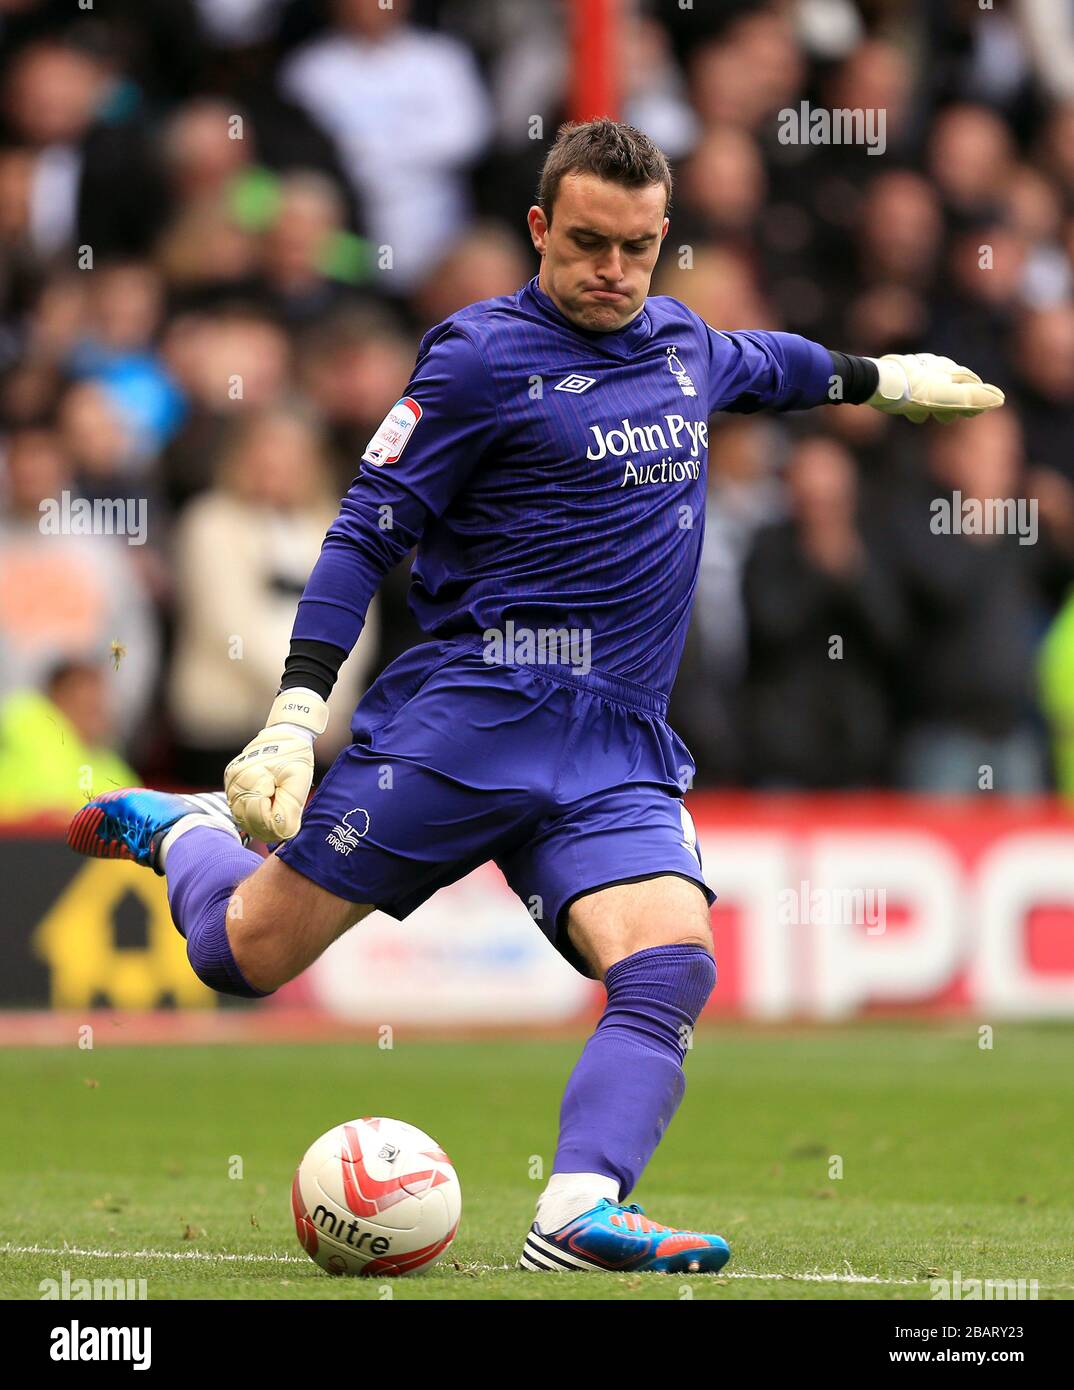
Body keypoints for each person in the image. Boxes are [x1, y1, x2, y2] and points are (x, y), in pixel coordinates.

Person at [68, 119, 1003, 1276]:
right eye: (590, 245)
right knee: (242, 954)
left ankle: (577, 1206)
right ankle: (195, 834)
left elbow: (773, 365)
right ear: (540, 229)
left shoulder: (678, 341)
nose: (614, 272)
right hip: (469, 721)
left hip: (616, 744)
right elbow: (365, 532)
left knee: (671, 962)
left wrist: (887, 379)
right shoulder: (474, 358)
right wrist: (297, 713)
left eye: (640, 248)